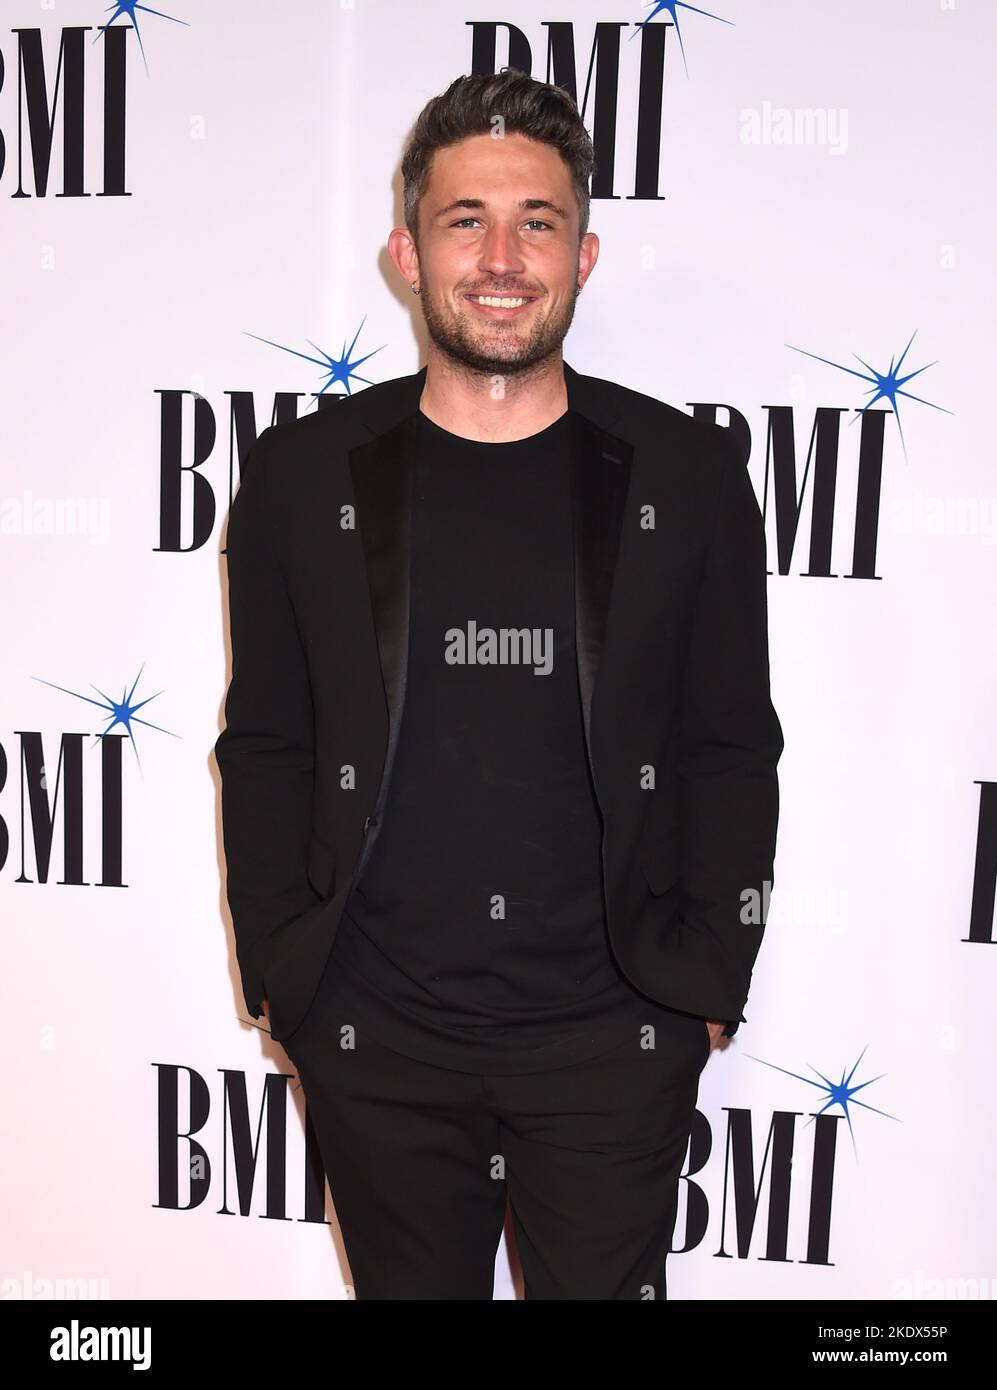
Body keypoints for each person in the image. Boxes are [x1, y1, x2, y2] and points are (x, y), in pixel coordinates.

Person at [215, 68, 783, 1299]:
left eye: (537, 221)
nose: (502, 256)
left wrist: (705, 983)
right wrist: (283, 972)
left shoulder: (685, 479)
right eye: (464, 219)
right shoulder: (303, 481)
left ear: (584, 253)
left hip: (609, 1035)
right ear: (405, 254)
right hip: (376, 1032)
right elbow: (266, 742)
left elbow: (730, 744)